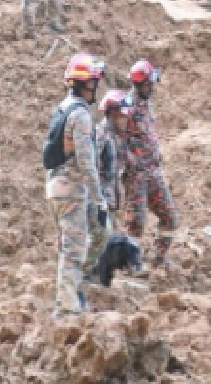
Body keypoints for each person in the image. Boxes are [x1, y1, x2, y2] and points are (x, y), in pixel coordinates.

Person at [46, 53, 106, 317]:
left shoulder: (62, 108)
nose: (96, 87)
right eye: (93, 82)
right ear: (85, 84)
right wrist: (99, 198)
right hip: (71, 190)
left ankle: (68, 299)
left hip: (56, 187)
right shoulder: (81, 115)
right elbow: (86, 161)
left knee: (69, 247)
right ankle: (67, 310)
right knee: (73, 252)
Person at [118, 59, 179, 269]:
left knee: (169, 216)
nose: (152, 88)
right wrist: (132, 161)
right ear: (140, 84)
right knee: (136, 223)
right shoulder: (126, 109)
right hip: (137, 176)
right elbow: (117, 140)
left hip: (154, 172)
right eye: (148, 84)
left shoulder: (145, 104)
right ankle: (128, 265)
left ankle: (159, 259)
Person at [83, 89, 128, 281]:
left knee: (106, 240)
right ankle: (84, 273)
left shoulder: (115, 138)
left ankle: (96, 276)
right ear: (113, 113)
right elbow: (90, 166)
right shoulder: (100, 135)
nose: (125, 119)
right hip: (97, 198)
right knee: (100, 236)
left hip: (107, 198)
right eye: (122, 115)